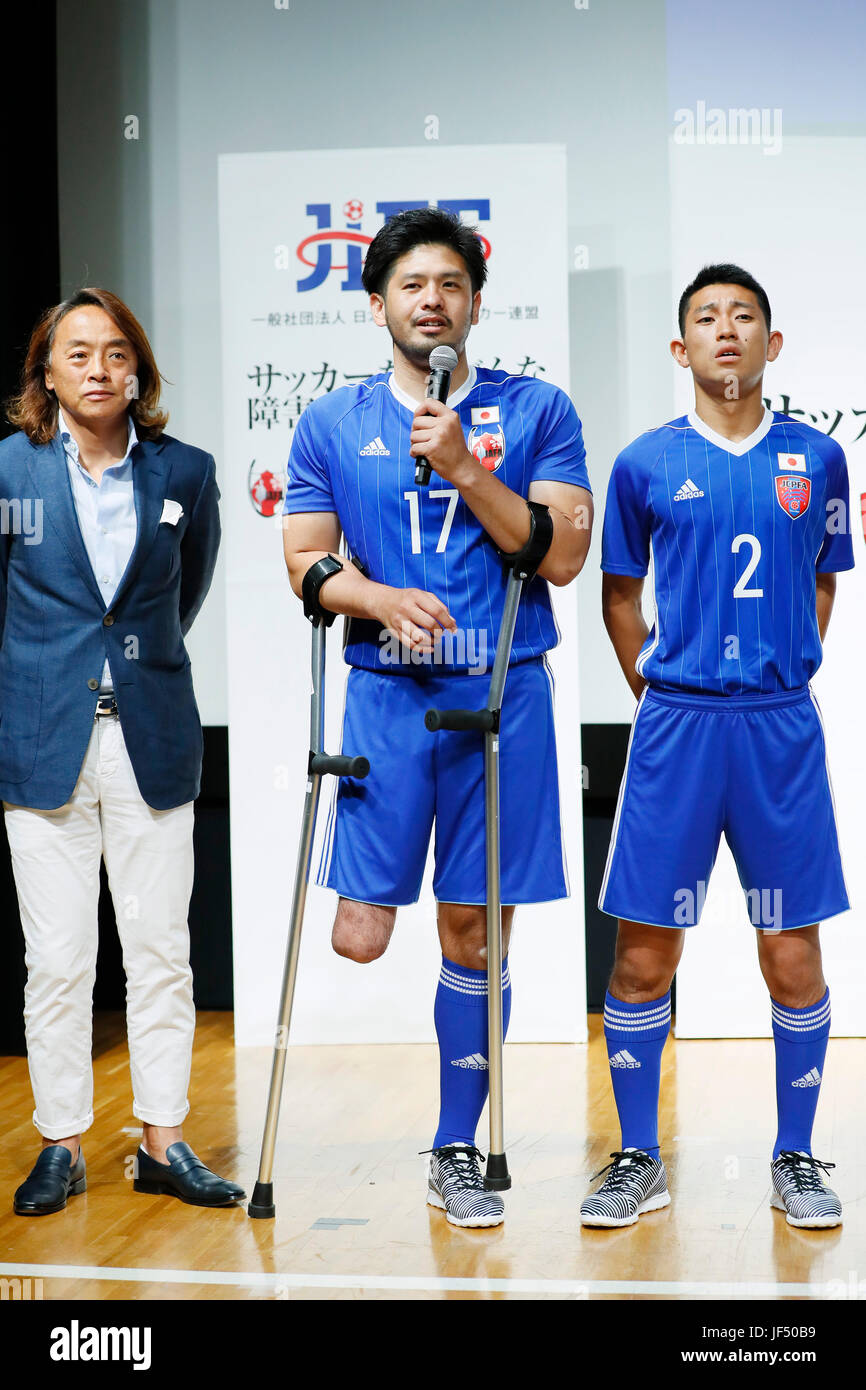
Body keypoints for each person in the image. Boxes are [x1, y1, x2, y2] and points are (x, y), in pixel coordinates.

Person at [282, 207, 592, 1227]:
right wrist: (373, 600)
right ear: (377, 304)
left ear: (473, 301)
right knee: (360, 937)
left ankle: (455, 1143)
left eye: (449, 285)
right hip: (382, 696)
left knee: (473, 932)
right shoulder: (330, 423)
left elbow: (556, 556)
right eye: (412, 285)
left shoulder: (537, 409)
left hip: (497, 697)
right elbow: (305, 561)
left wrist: (467, 466)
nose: (432, 300)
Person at [582, 264, 852, 1230]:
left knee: (791, 953)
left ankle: (795, 1155)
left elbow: (825, 579)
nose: (725, 331)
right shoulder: (645, 464)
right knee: (644, 956)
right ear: (679, 349)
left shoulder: (817, 460)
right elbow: (619, 597)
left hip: (779, 729)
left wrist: (787, 664)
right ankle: (637, 1157)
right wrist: (660, 695)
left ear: (772, 345)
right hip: (679, 729)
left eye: (744, 318)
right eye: (705, 318)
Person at [2, 288, 244, 1213]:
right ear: (47, 374)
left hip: (150, 735)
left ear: (137, 368)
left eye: (115, 353)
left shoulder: (185, 472)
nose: (99, 369)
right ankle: (60, 1143)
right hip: (40, 742)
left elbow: (181, 596)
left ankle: (163, 1141)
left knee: (159, 950)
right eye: (78, 354)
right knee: (58, 959)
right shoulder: (9, 474)